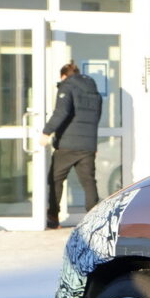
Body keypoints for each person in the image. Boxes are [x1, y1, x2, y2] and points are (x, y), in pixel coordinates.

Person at [41, 62, 103, 229]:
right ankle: (95, 219)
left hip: (67, 144)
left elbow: (61, 112)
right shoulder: (93, 90)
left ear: (63, 76)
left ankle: (53, 217)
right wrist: (93, 143)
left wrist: (46, 132)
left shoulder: (67, 87)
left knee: (55, 179)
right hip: (87, 145)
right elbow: (96, 118)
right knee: (88, 182)